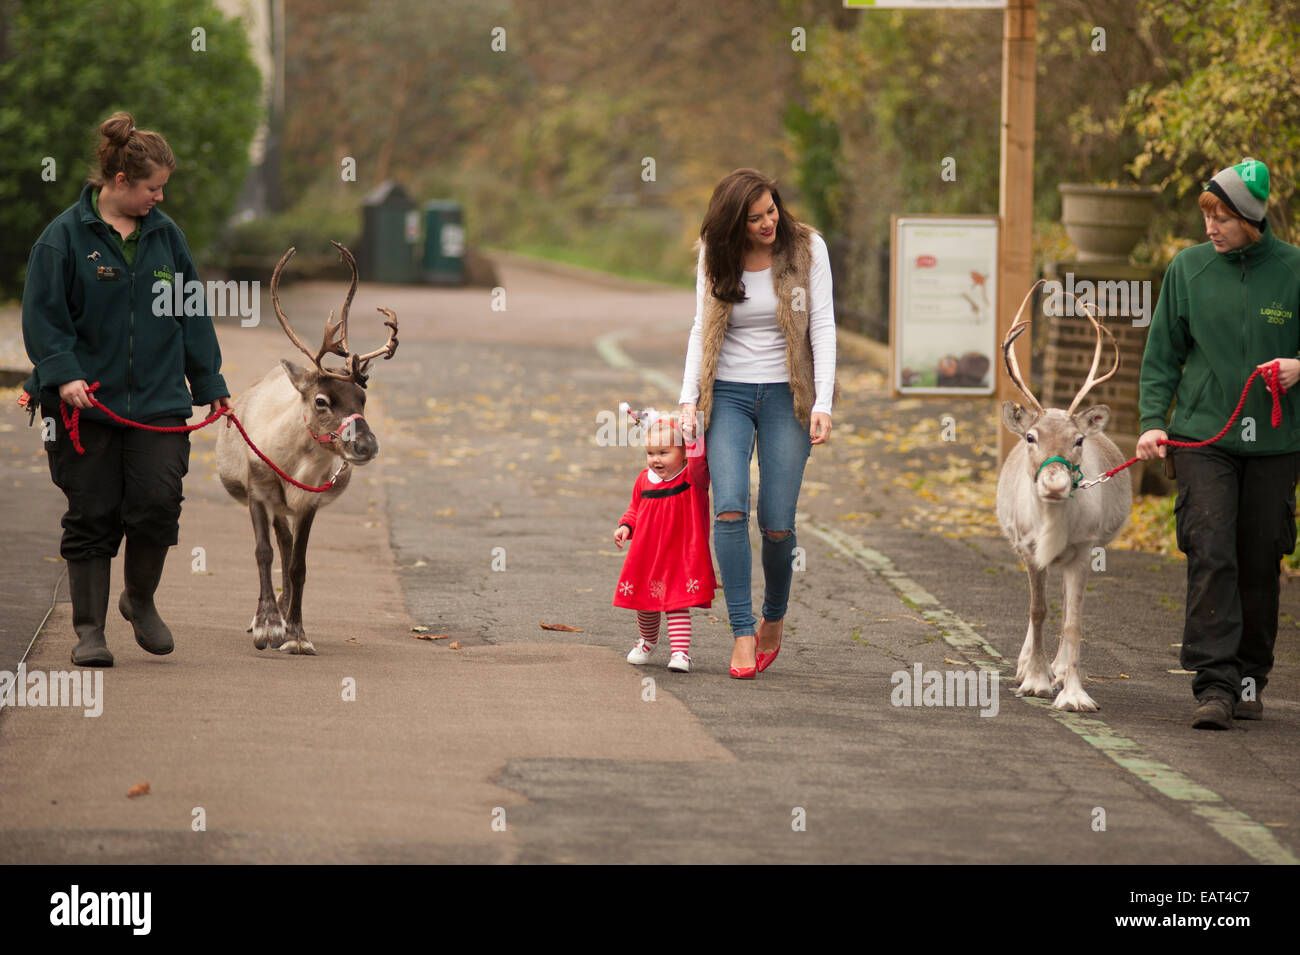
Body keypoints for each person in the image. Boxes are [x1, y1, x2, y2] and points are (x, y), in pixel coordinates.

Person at [21, 111, 230, 667]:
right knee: (92, 514)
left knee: (158, 502)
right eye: (151, 188)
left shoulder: (166, 237)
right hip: (83, 404)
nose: (158, 198)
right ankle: (89, 630)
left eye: (162, 188)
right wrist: (62, 373)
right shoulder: (63, 239)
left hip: (160, 403)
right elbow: (43, 318)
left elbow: (192, 313)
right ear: (119, 182)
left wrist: (210, 382)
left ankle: (139, 600)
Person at [1137, 158, 1300, 729]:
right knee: (1210, 548)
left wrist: (1299, 366)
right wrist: (1153, 420)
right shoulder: (1187, 270)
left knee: (1260, 557)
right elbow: (1162, 355)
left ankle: (1250, 678)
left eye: (1224, 218)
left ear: (1252, 220)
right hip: (1203, 435)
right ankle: (1215, 685)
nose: (1211, 227)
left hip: (1276, 443)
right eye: (1207, 215)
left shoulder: (1293, 270)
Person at [678, 168, 837, 679]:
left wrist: (824, 402)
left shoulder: (808, 247)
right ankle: (742, 630)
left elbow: (824, 325)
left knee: (776, 523)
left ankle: (775, 616)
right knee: (728, 509)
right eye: (755, 218)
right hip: (725, 393)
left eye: (771, 210)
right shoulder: (714, 252)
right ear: (733, 222)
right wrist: (688, 400)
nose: (768, 222)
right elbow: (702, 326)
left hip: (787, 396)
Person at [613, 414, 717, 672]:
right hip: (647, 551)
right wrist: (626, 526)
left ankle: (680, 652)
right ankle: (647, 642)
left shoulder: (691, 479)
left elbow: (699, 458)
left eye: (663, 452)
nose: (656, 459)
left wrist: (693, 431)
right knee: (645, 601)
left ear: (683, 453)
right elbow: (635, 508)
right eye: (650, 453)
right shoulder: (644, 479)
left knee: (676, 600)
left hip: (678, 551)